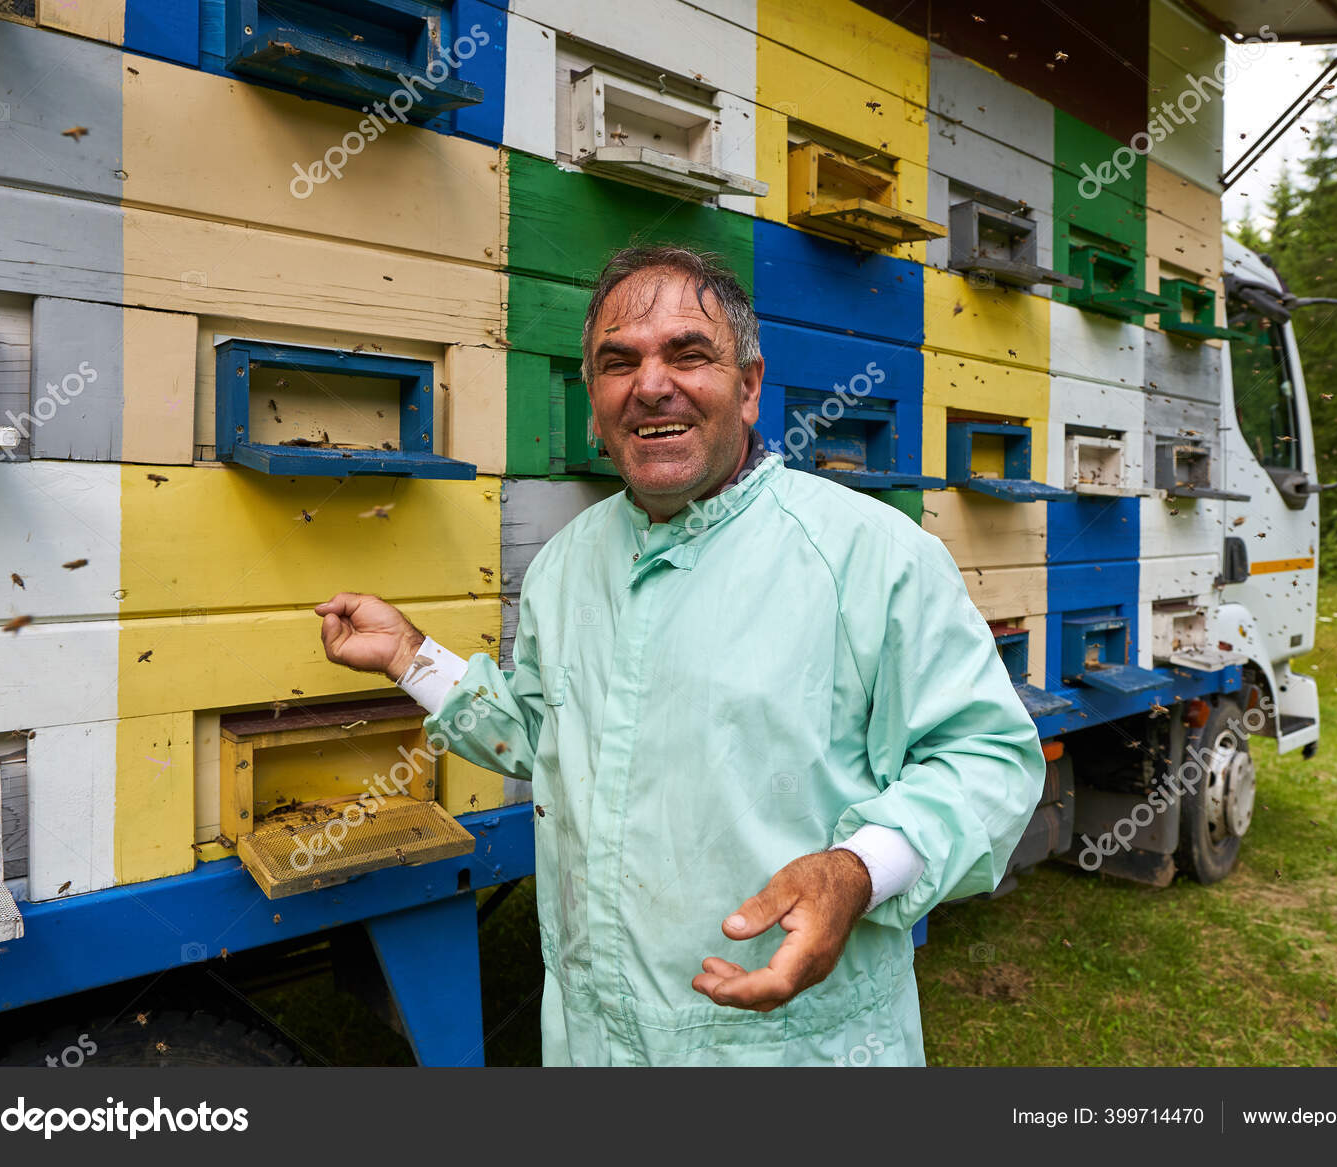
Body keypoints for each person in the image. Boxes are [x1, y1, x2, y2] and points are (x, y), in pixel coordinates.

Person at [316, 245, 1044, 1066]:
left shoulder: (871, 555)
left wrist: (858, 869)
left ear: (750, 385)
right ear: (592, 402)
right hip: (594, 1043)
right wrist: (412, 658)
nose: (651, 385)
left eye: (688, 354)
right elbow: (546, 734)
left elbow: (986, 757)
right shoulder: (564, 565)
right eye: (617, 362)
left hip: (789, 1050)